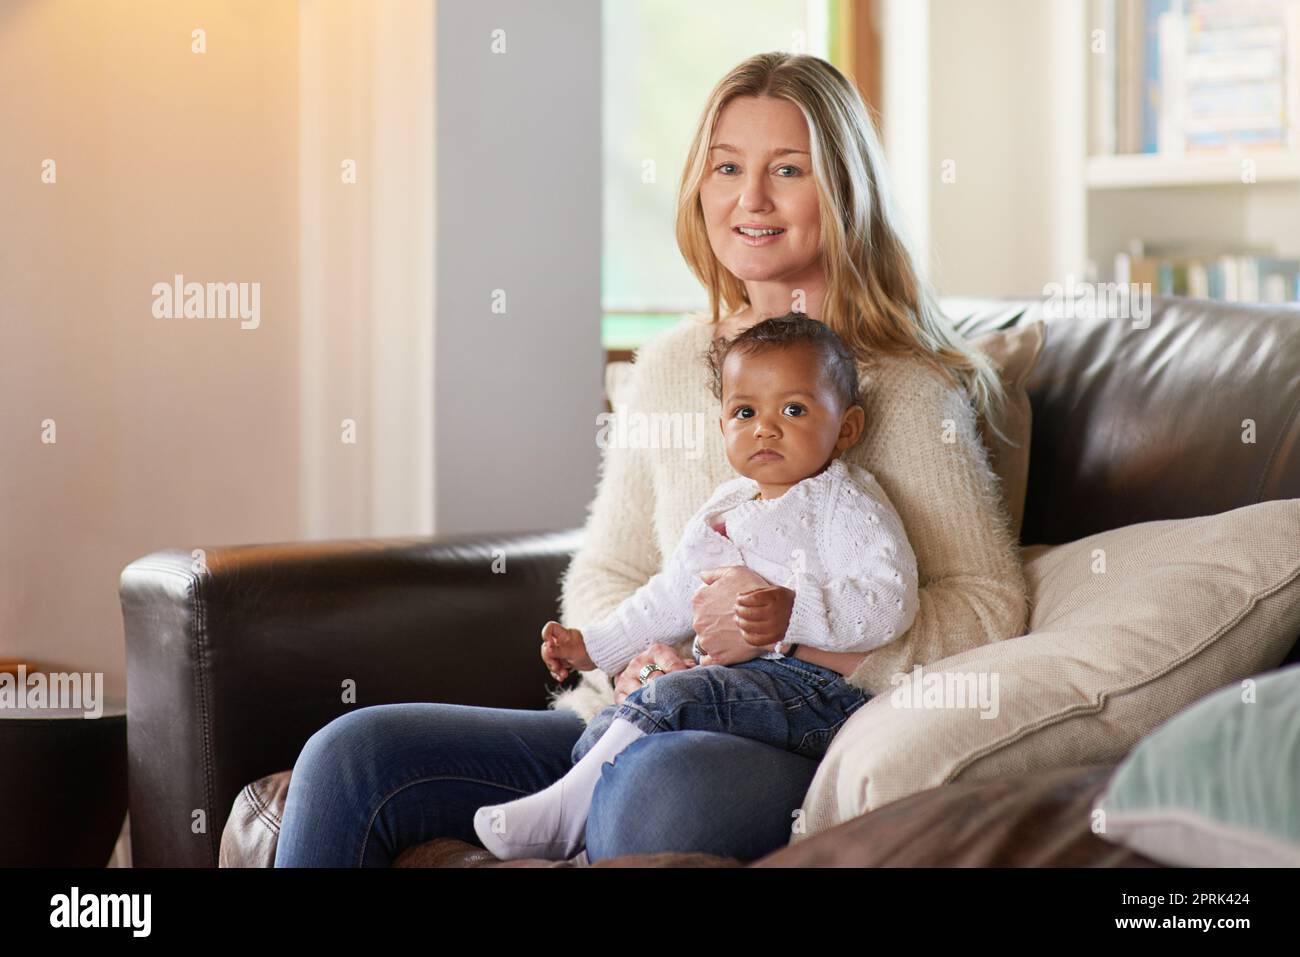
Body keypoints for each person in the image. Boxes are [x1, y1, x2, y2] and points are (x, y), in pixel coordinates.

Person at [273, 51, 1027, 868]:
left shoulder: (902, 386)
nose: (751, 199)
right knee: (352, 755)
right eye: (727, 168)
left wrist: (788, 634)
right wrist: (644, 658)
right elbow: (610, 568)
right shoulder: (669, 367)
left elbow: (987, 608)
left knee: (648, 789)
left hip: (786, 735)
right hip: (629, 718)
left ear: (844, 192)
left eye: (787, 170)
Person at [472, 314, 920, 860]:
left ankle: (565, 815)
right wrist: (594, 646)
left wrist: (794, 613)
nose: (765, 428)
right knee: (617, 718)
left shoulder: (845, 503)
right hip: (734, 686)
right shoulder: (724, 508)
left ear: (846, 428)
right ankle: (579, 808)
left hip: (819, 696)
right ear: (723, 424)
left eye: (793, 410)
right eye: (745, 412)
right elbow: (669, 596)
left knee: (677, 695)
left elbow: (890, 599)